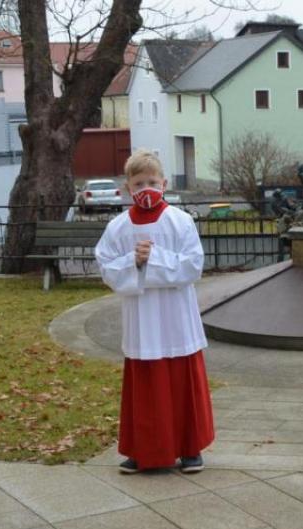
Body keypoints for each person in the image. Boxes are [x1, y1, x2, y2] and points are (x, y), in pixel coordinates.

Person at [95, 150, 214, 474]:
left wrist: (155, 258)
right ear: (127, 188)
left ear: (163, 183)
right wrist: (132, 262)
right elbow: (106, 266)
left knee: (182, 381)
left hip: (175, 316)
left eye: (151, 181)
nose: (146, 188)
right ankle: (143, 449)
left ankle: (190, 447)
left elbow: (193, 265)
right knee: (145, 386)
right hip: (141, 317)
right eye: (138, 183)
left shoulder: (180, 220)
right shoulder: (118, 227)